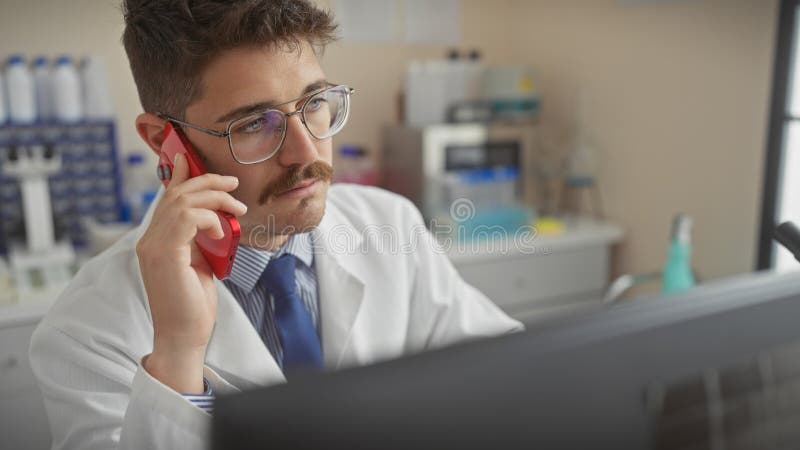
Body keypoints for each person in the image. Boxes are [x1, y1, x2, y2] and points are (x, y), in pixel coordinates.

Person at [29, 1, 523, 449]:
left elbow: (511, 376)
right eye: (252, 124)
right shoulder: (86, 330)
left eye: (314, 104)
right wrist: (178, 353)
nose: (306, 152)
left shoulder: (388, 223)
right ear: (165, 141)